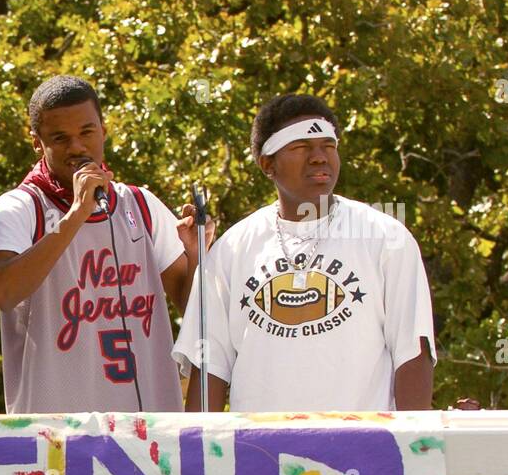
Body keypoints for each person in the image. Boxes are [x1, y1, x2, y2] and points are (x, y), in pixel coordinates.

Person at [174, 94, 435, 412]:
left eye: (328, 146)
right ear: (267, 164)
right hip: (259, 441)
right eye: (301, 147)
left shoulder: (386, 237)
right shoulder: (231, 250)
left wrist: (413, 440)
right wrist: (201, 443)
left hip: (362, 440)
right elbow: (210, 369)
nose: (319, 157)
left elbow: (412, 353)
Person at [0, 75, 215, 414]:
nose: (76, 147)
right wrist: (76, 214)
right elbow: (3, 292)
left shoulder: (140, 204)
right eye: (60, 138)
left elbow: (193, 312)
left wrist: (195, 256)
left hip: (147, 428)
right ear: (37, 143)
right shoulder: (20, 208)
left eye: (87, 132)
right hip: (58, 431)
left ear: (103, 131)